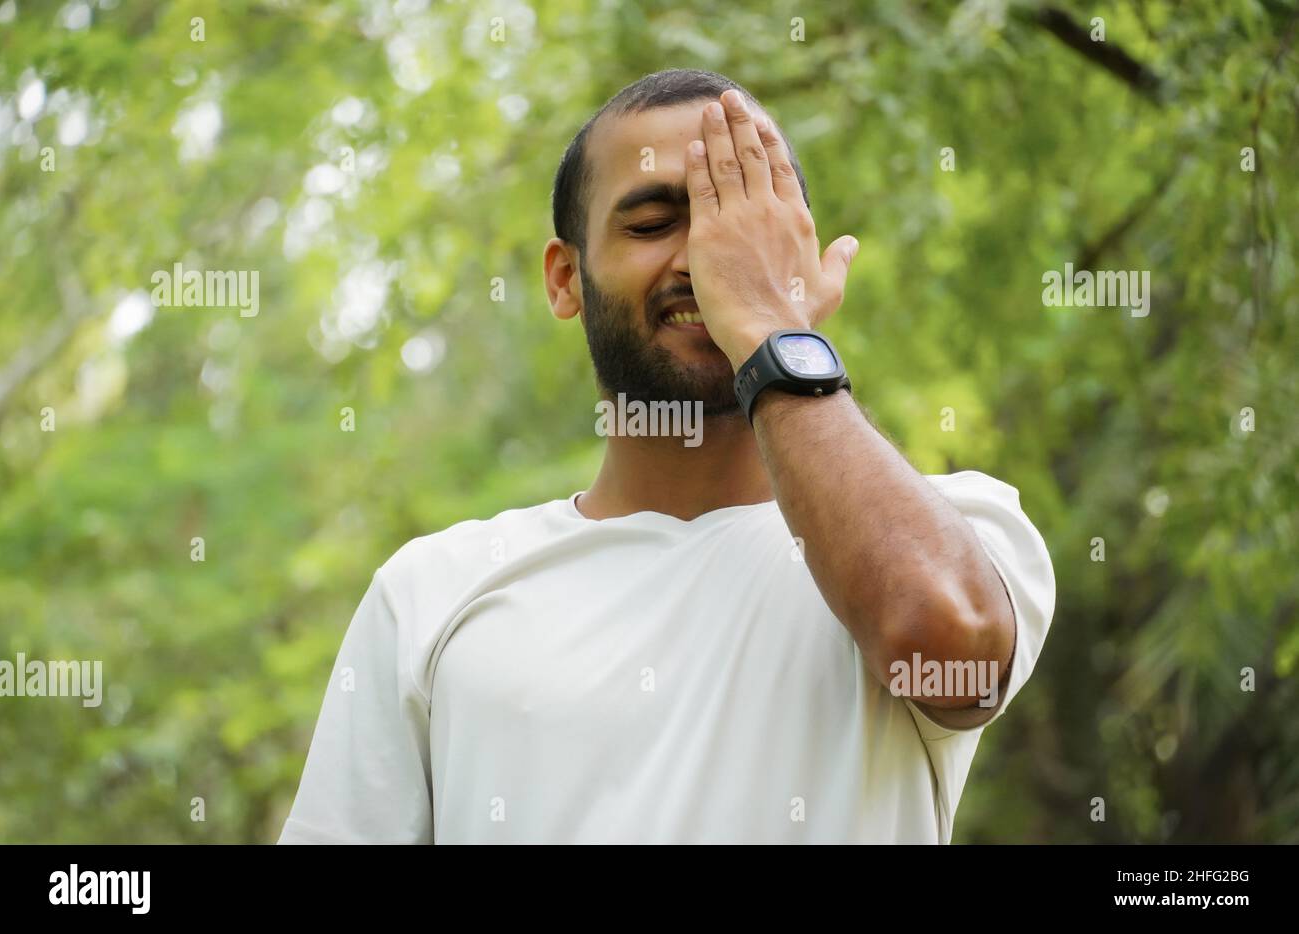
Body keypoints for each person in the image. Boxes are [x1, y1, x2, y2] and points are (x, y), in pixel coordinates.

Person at [278, 69, 1055, 844]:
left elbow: (948, 639)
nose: (706, 261)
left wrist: (766, 326)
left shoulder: (959, 528)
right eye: (653, 223)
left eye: (743, 222)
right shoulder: (428, 593)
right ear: (564, 278)